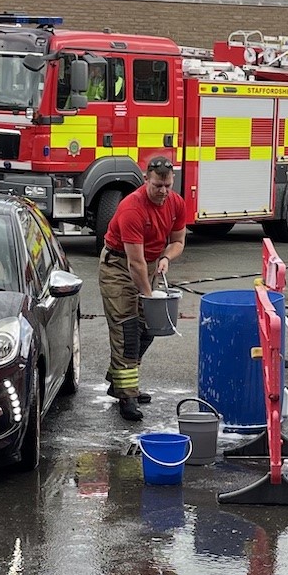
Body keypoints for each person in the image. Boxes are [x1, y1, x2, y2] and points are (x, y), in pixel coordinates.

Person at [100, 155, 192, 422]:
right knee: (127, 329)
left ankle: (118, 380)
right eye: (157, 186)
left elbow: (178, 241)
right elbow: (135, 263)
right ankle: (126, 395)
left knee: (149, 328)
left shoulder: (176, 203)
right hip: (119, 267)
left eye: (167, 186)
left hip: (150, 265)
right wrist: (148, 296)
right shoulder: (132, 208)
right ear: (145, 180)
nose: (163, 192)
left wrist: (165, 257)